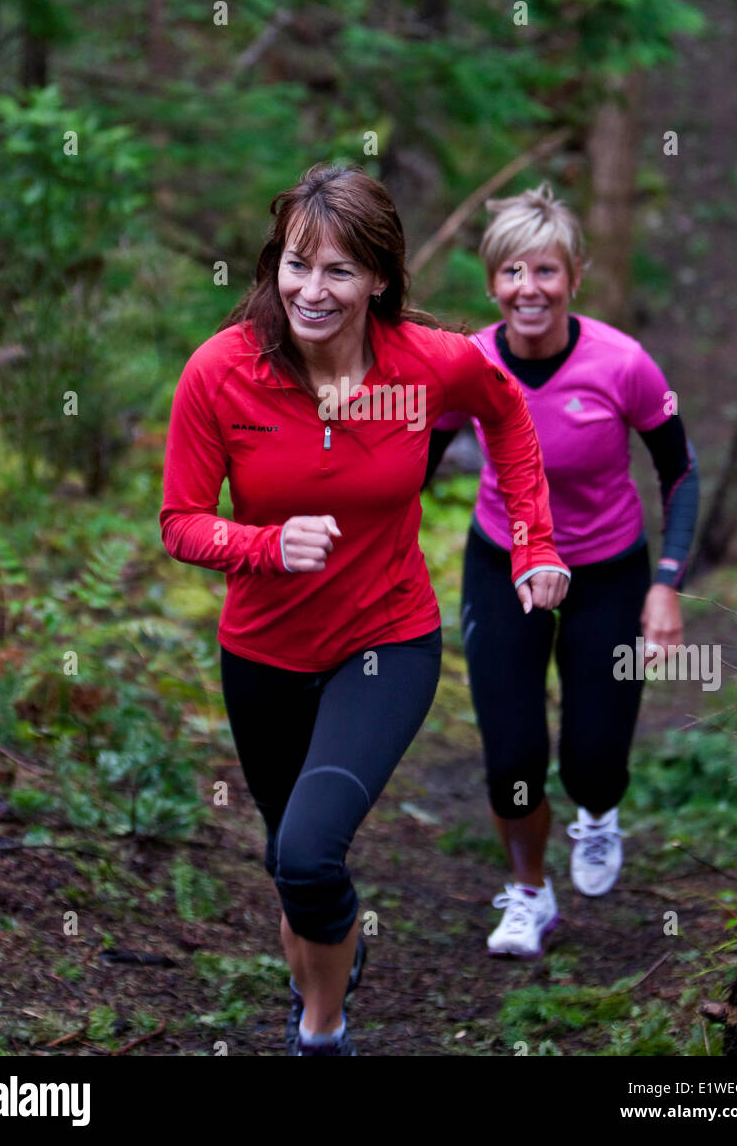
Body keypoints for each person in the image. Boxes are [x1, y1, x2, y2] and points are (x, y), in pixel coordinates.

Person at [159, 163, 570, 1054]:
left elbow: (510, 420)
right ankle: (330, 990)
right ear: (275, 266)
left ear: (380, 277)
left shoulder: (430, 362)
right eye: (298, 265)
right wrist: (265, 545)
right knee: (290, 866)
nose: (313, 290)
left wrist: (534, 541)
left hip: (385, 641)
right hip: (262, 654)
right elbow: (181, 523)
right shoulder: (221, 373)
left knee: (308, 857)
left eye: (340, 270)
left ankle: (319, 1034)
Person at [424, 182, 699, 958]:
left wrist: (665, 585)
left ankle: (600, 813)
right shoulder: (471, 362)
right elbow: (418, 459)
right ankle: (528, 893)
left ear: (574, 278)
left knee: (594, 760)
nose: (528, 289)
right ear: (491, 284)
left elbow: (680, 473)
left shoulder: (624, 364)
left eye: (545, 271)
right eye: (512, 272)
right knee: (512, 753)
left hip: (607, 569)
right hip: (502, 563)